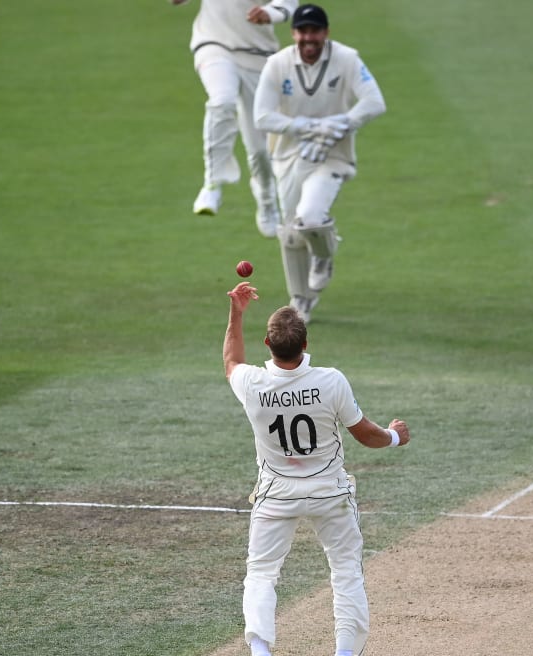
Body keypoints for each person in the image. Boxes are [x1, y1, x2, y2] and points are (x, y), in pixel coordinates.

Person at [223, 280, 410, 656]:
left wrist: (236, 312)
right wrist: (394, 437)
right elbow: (367, 435)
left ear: (268, 345)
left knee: (261, 573)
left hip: (275, 494)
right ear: (305, 345)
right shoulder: (331, 381)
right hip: (329, 494)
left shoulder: (252, 384)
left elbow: (231, 360)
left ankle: (261, 652)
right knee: (345, 572)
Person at [253, 3, 386, 322]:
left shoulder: (347, 58)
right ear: (293, 33)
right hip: (288, 155)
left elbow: (374, 102)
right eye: (303, 31)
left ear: (326, 33)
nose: (308, 38)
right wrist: (306, 127)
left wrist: (342, 123)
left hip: (332, 154)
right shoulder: (277, 64)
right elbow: (261, 116)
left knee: (310, 218)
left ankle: (324, 255)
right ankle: (301, 298)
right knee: (289, 233)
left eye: (315, 31)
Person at [171, 0, 298, 235]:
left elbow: (289, 4)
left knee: (260, 150)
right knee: (222, 100)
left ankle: (267, 198)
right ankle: (212, 184)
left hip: (258, 56)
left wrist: (268, 13)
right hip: (213, 44)